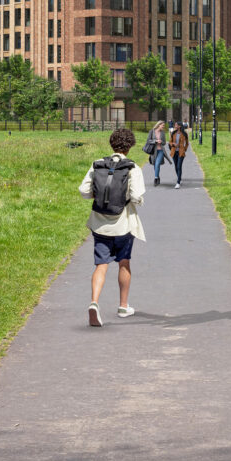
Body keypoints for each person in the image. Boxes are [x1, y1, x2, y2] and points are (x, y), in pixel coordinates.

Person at [79, 128, 146, 326]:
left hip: (99, 223)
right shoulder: (132, 168)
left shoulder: (97, 164)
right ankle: (123, 306)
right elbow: (136, 196)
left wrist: (98, 196)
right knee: (124, 262)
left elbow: (84, 191)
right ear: (130, 146)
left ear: (112, 144)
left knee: (101, 264)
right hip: (123, 224)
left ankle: (94, 303)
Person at [168, 120, 190, 189]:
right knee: (176, 166)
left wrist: (184, 149)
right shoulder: (173, 133)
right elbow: (170, 142)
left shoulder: (184, 134)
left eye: (176, 125)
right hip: (174, 152)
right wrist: (173, 144)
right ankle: (179, 178)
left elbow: (187, 143)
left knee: (179, 166)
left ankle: (178, 182)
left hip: (181, 152)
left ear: (179, 126)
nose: (175, 126)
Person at [145, 120, 168, 186]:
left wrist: (161, 142)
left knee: (157, 163)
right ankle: (157, 176)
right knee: (155, 164)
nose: (163, 127)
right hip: (153, 151)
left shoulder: (163, 133)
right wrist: (155, 141)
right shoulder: (151, 131)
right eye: (162, 125)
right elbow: (148, 141)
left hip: (160, 150)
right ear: (159, 125)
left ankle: (155, 178)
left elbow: (164, 143)